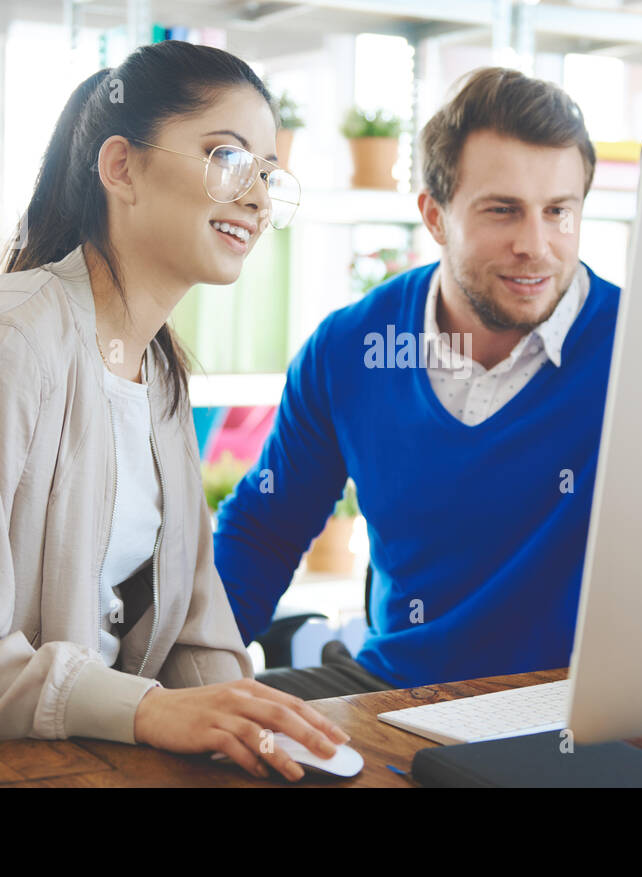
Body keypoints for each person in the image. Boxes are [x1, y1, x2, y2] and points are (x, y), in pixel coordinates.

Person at [0, 41, 348, 787]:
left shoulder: (163, 375)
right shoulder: (5, 343)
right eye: (228, 158)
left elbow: (195, 628)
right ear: (121, 168)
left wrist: (250, 724)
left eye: (269, 174)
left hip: (96, 763)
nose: (257, 198)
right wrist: (146, 709)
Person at [214, 67, 621, 698]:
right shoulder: (350, 348)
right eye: (503, 211)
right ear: (434, 215)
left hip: (573, 705)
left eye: (559, 213)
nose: (536, 246)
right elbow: (264, 532)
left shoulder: (641, 349)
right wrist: (182, 683)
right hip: (392, 688)